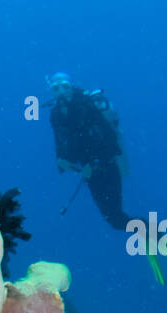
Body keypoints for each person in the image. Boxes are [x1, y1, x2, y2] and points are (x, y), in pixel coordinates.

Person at [46, 72, 131, 230]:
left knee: (115, 216)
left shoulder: (86, 106)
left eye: (64, 87)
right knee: (113, 219)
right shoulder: (55, 115)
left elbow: (111, 141)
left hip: (107, 166)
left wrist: (93, 163)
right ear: (52, 92)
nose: (61, 92)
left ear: (71, 87)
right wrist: (61, 161)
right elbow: (60, 144)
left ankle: (156, 235)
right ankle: (151, 235)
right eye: (56, 88)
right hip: (89, 173)